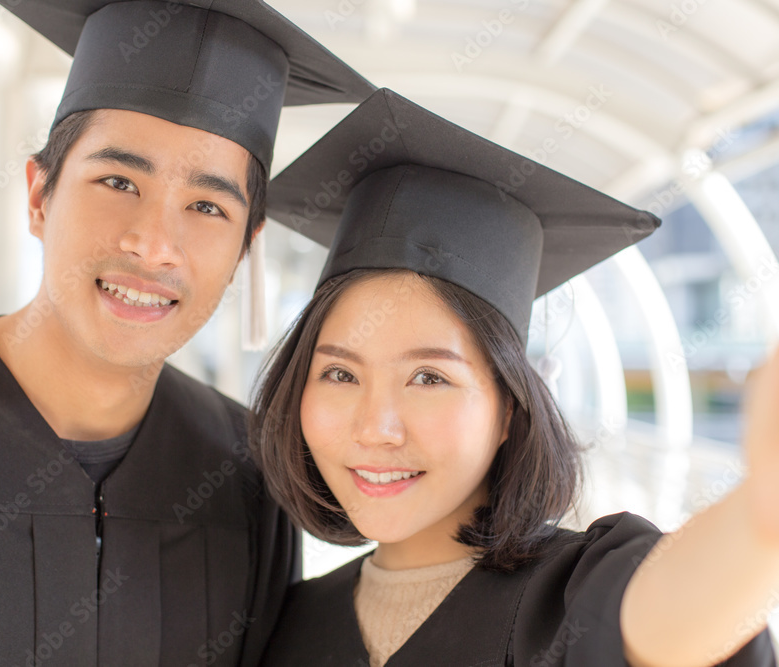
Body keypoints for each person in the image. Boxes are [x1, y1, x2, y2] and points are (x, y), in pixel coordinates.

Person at [0, 1, 375, 664]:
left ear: (244, 247)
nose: (153, 245)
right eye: (118, 180)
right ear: (39, 195)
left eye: (207, 206)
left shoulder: (244, 473)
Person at [251, 88, 779, 666]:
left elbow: (675, 616)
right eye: (339, 373)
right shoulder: (286, 624)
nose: (376, 428)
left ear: (508, 409)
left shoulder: (572, 595)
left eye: (429, 377)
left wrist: (761, 517)